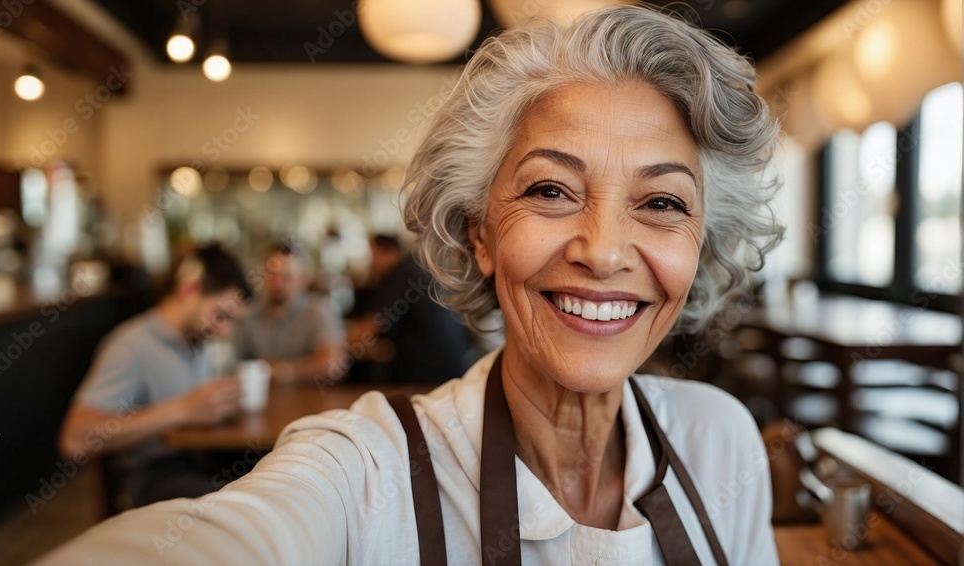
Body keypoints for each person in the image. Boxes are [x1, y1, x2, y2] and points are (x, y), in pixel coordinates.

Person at [40, 6, 782, 564]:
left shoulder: (721, 443)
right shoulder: (368, 469)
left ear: (701, 244)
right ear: (479, 234)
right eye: (552, 190)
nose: (604, 250)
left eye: (662, 203)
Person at [57, 244, 253, 507]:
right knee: (243, 506)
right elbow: (75, 439)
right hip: (153, 477)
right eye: (221, 315)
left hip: (198, 460)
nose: (224, 331)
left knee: (269, 475)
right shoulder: (130, 346)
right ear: (189, 289)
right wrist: (183, 409)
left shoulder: (196, 342)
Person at [347, 234, 471, 384]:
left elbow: (368, 330)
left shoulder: (402, 275)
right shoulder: (417, 268)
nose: (370, 264)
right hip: (451, 373)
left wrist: (337, 335)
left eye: (372, 255)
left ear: (389, 250)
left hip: (426, 380)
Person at [234, 244, 345, 384]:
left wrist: (283, 371)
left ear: (303, 279)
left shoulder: (319, 312)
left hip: (311, 400)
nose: (277, 285)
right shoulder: (248, 314)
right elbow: (233, 364)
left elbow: (332, 365)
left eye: (287, 277)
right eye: (272, 276)